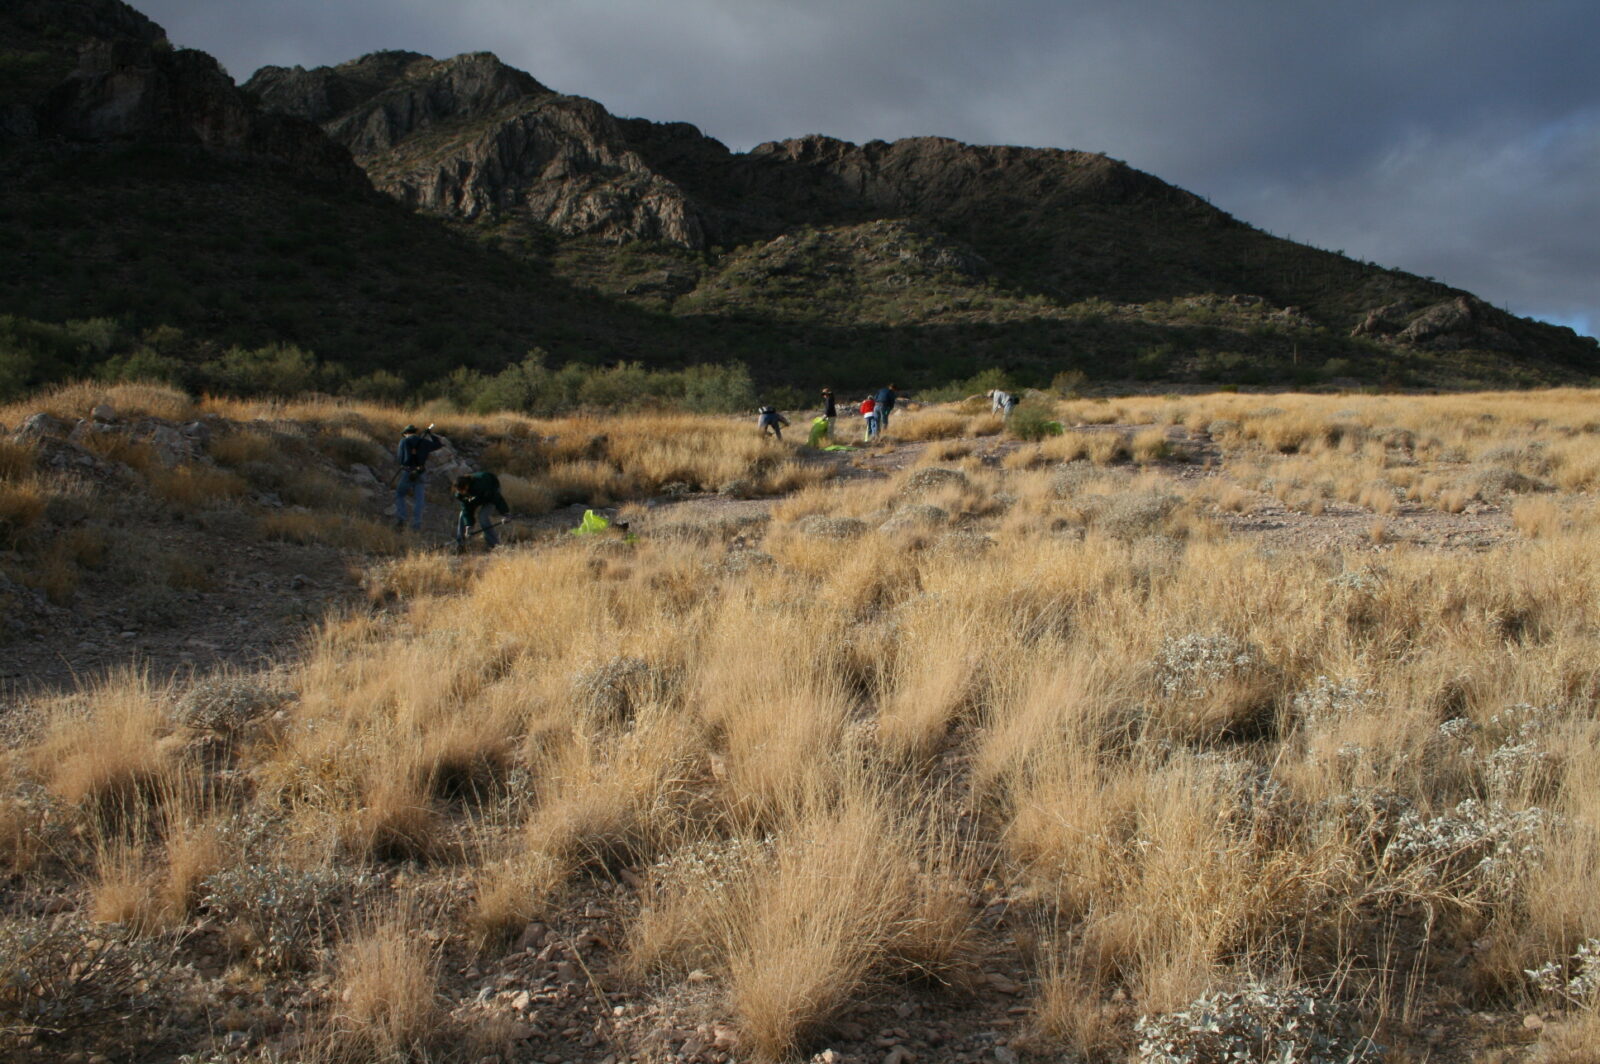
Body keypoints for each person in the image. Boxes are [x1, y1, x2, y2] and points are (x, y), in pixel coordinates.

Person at [393, 423, 443, 531]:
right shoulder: (424, 442)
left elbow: (401, 459)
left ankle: (402, 518)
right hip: (420, 471)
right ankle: (417, 525)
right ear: (414, 432)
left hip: (408, 471)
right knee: (419, 499)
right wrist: (431, 435)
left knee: (400, 494)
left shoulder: (404, 441)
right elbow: (438, 444)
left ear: (406, 433)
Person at [453, 471, 510, 552]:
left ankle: (495, 546)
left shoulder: (481, 485)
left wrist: (505, 514)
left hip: (492, 489)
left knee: (483, 517)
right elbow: (466, 510)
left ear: (466, 486)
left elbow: (496, 497)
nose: (461, 493)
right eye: (459, 491)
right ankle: (461, 544)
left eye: (462, 490)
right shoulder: (460, 494)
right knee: (462, 515)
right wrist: (468, 526)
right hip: (477, 497)